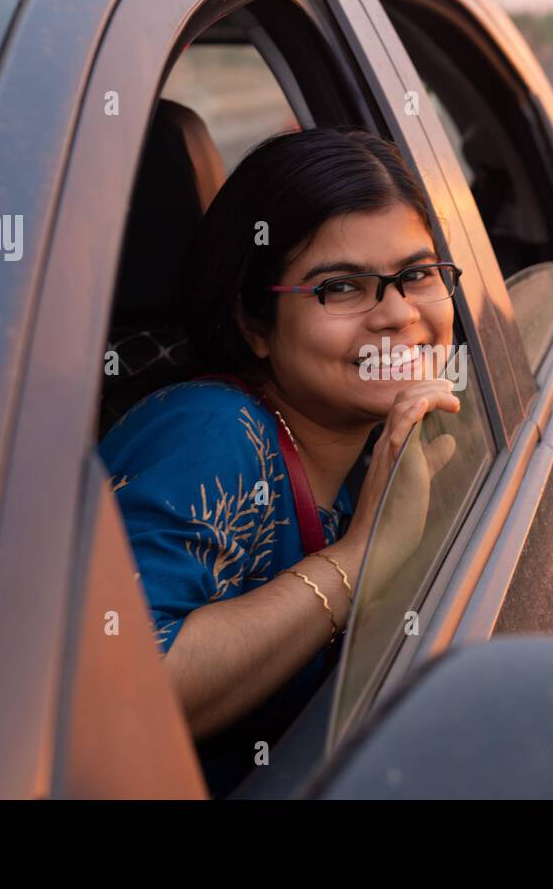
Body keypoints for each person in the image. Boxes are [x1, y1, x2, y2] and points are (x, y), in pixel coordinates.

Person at [98, 126, 462, 796]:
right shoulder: (214, 431)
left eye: (417, 275)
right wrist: (362, 559)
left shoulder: (385, 436)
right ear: (253, 324)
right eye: (342, 289)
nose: (398, 315)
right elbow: (121, 689)